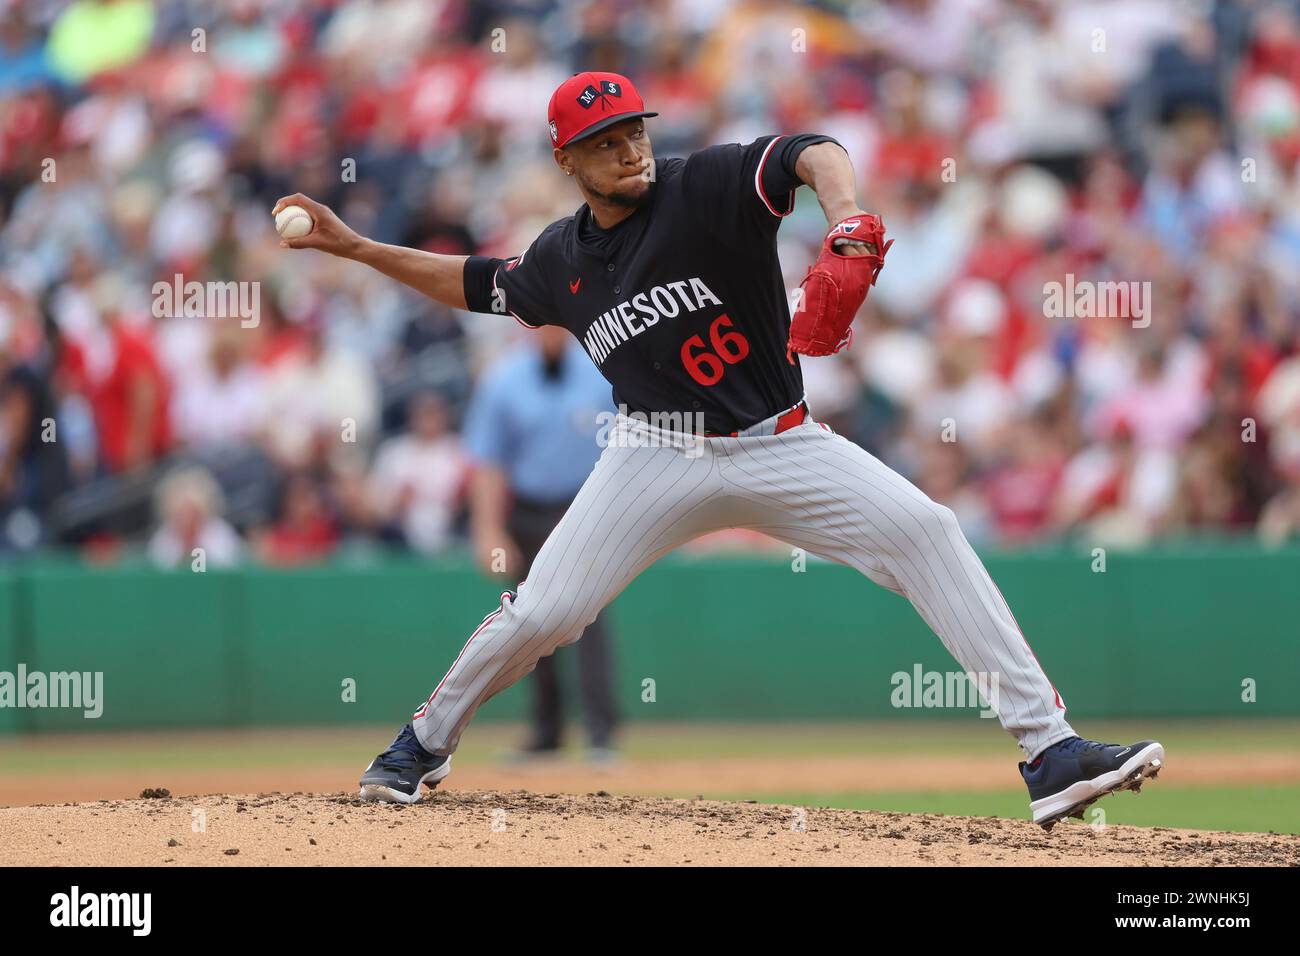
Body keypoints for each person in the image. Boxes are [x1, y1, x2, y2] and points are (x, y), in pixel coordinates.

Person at [276, 71, 1165, 830]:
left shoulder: (705, 186)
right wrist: (352, 246)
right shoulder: (560, 261)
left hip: (782, 442)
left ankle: (1048, 754)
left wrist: (848, 216)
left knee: (928, 530)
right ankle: (420, 746)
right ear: (567, 161)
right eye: (604, 139)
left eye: (633, 129)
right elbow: (476, 282)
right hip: (652, 453)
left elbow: (812, 148)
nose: (628, 148)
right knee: (546, 612)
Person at [463, 324, 619, 762]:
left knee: (588, 619)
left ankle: (601, 734)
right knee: (531, 619)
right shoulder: (503, 378)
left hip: (585, 506)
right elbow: (488, 462)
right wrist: (488, 531)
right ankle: (548, 731)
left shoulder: (600, 373)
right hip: (529, 512)